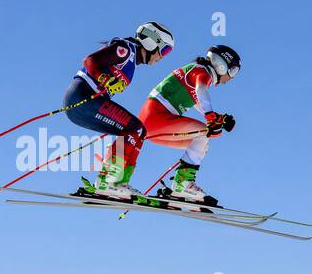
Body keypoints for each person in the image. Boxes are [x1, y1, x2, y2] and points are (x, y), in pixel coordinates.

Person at [64, 22, 173, 200]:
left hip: (87, 103)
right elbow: (90, 60)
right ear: (152, 42)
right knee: (134, 128)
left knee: (139, 131)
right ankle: (108, 182)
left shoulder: (132, 61)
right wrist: (103, 77)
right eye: (164, 50)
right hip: (82, 97)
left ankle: (118, 183)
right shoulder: (126, 49)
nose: (162, 57)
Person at [138, 44, 240, 205]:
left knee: (202, 142)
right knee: (203, 132)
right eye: (233, 71)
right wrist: (210, 116)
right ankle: (182, 185)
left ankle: (181, 184)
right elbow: (201, 90)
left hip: (156, 121)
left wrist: (217, 118)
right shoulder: (202, 72)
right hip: (156, 119)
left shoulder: (195, 71)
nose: (232, 77)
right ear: (221, 65)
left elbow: (197, 100)